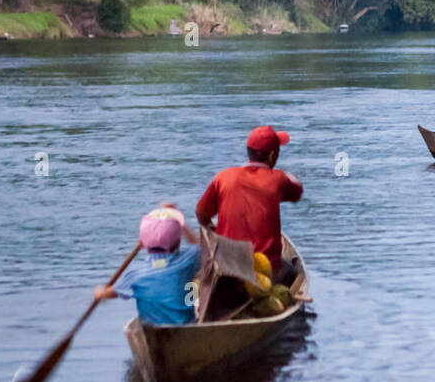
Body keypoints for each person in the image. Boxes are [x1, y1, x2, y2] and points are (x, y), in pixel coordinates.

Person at [196, 126, 304, 285]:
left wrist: (212, 228)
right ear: (273, 155)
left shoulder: (223, 177)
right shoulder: (278, 179)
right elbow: (297, 192)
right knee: (293, 270)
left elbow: (201, 213)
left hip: (227, 270)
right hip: (266, 272)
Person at [94, 204, 200, 326]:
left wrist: (99, 293)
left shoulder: (135, 273)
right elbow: (201, 247)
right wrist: (181, 224)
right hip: (187, 330)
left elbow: (107, 294)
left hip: (153, 333)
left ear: (142, 244)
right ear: (178, 242)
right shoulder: (187, 261)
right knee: (195, 284)